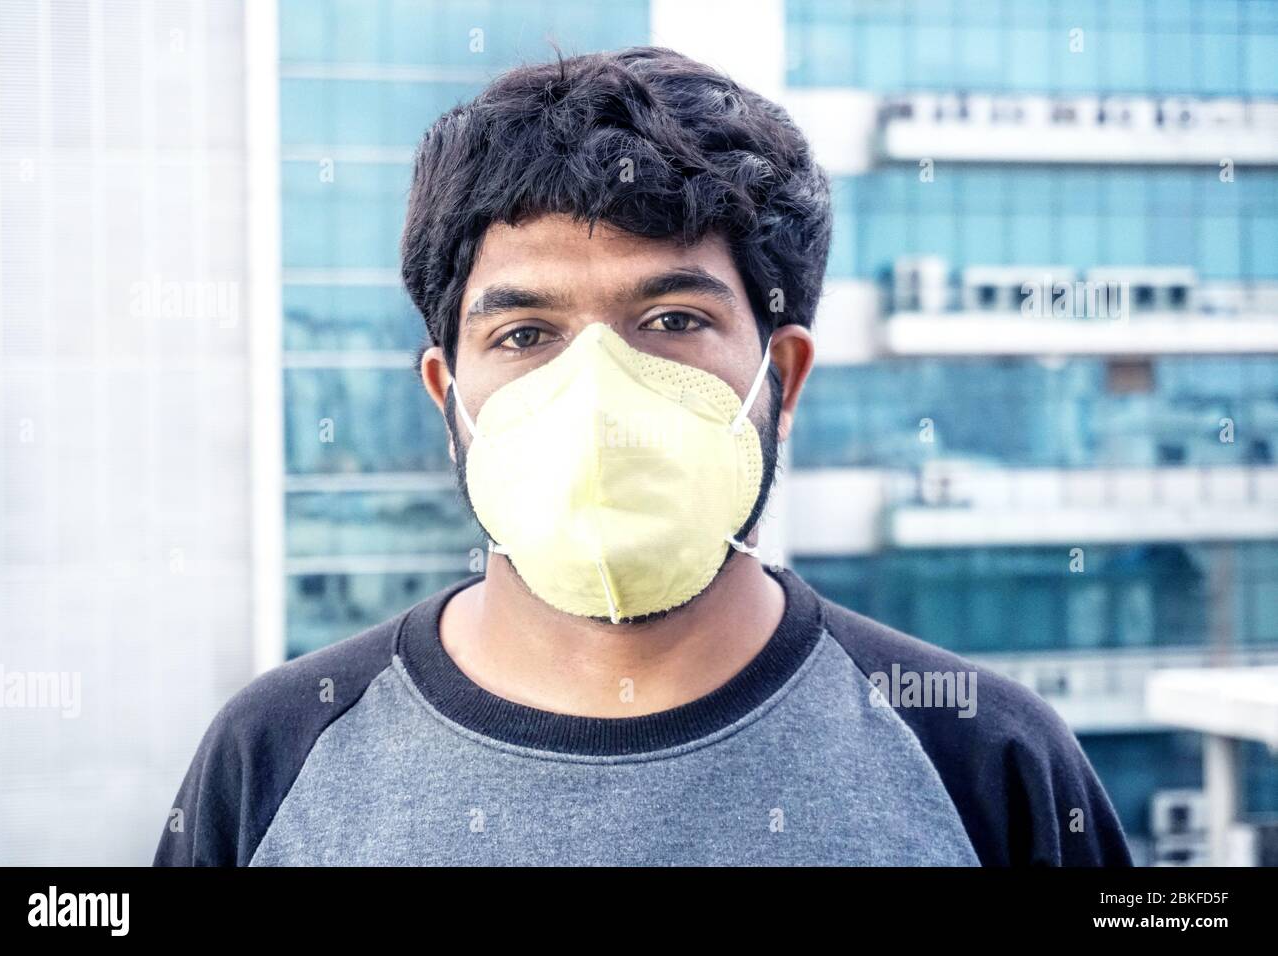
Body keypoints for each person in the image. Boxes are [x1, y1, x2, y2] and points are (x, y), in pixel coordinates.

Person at [153, 46, 1132, 867]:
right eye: (525, 335)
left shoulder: (984, 759)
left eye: (671, 319)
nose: (600, 395)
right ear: (447, 398)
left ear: (780, 378)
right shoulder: (274, 755)